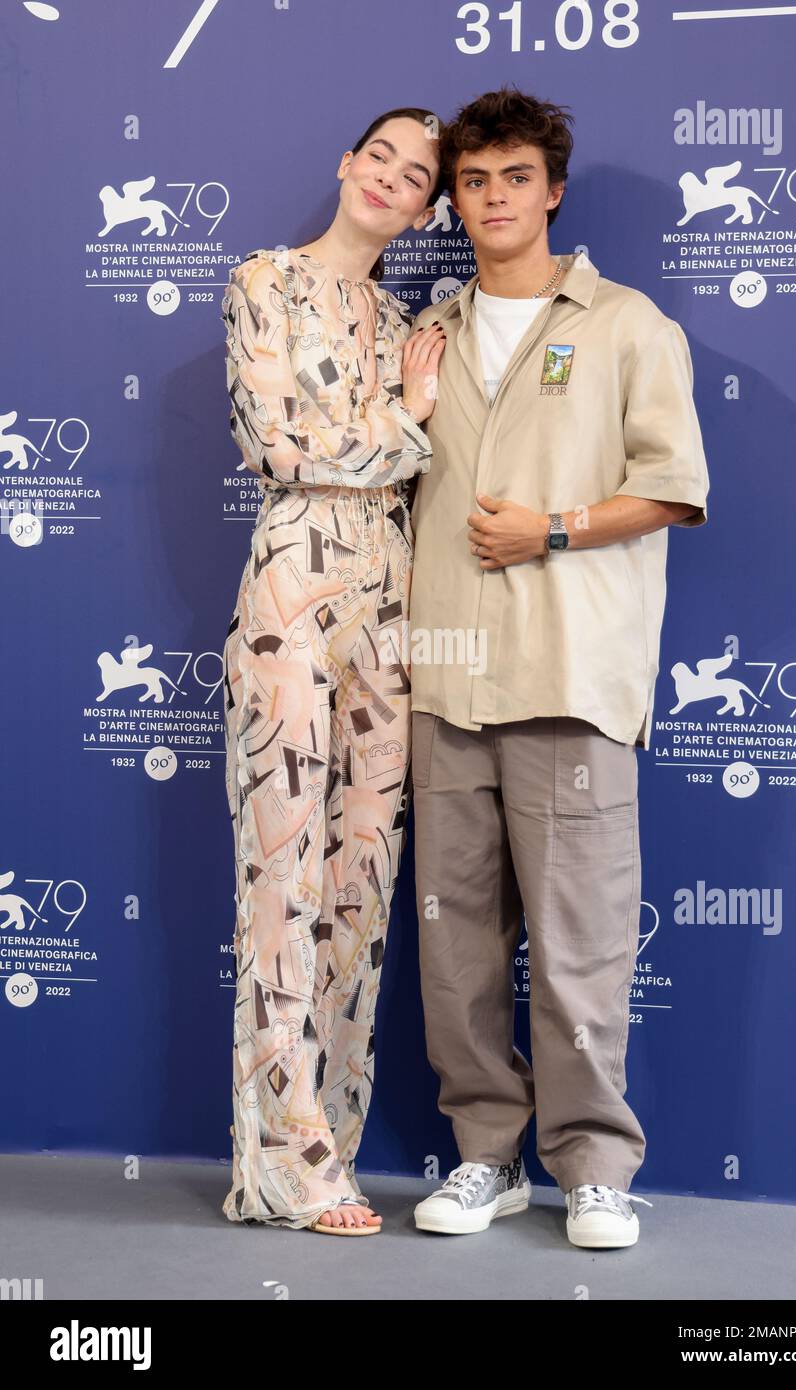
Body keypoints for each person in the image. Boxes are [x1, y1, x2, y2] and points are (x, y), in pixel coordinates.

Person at [406, 86, 710, 1249]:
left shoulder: (629, 323)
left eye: (512, 179)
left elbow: (675, 487)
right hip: (443, 674)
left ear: (551, 191)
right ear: (456, 196)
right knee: (456, 944)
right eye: (473, 181)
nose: (491, 200)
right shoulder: (421, 333)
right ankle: (486, 1155)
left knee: (578, 942)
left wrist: (555, 529)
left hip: (573, 674)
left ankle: (593, 1166)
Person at [221, 109, 446, 1235]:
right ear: (346, 164)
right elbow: (278, 447)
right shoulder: (261, 279)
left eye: (417, 179)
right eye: (383, 159)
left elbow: (397, 482)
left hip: (389, 612)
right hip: (288, 613)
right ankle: (282, 1155)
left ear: (424, 209)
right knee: (283, 879)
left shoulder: (409, 319)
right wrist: (406, 419)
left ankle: (328, 1144)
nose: (393, 182)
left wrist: (404, 420)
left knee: (360, 883)